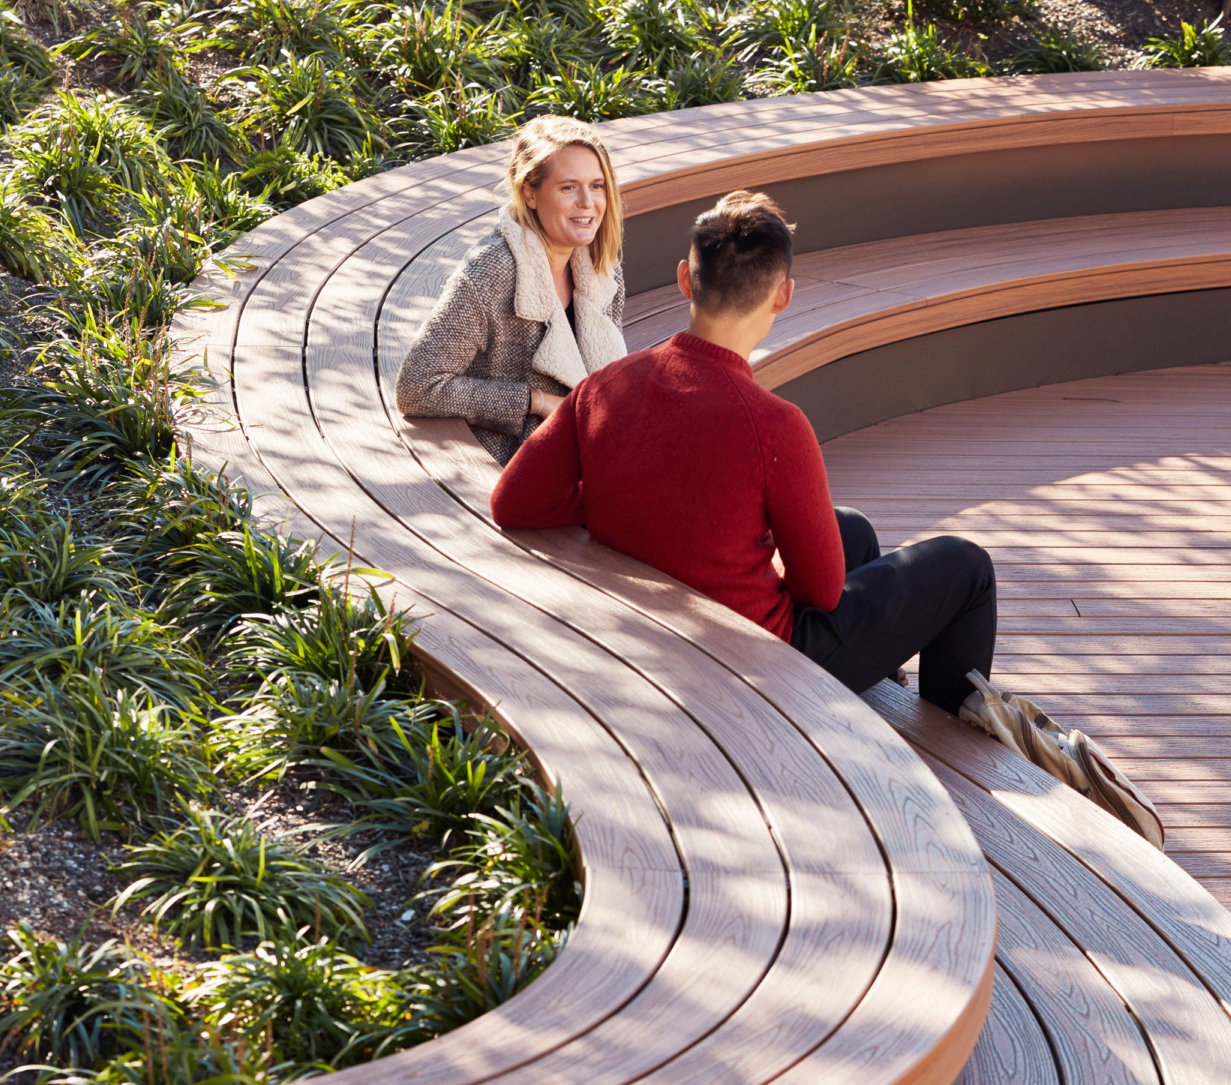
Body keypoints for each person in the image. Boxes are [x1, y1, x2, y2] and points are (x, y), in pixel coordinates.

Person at [488, 187, 997, 712]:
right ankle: (956, 735)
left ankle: (875, 693)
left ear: (684, 278)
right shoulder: (775, 425)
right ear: (783, 296)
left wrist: (623, 494)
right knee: (965, 565)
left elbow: (512, 500)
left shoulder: (605, 385)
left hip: (671, 625)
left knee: (853, 530)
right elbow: (822, 595)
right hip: (759, 664)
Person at [396, 113, 627, 467]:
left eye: (597, 185)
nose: (587, 202)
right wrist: (535, 401)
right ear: (530, 193)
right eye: (568, 187)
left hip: (583, 446)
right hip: (513, 461)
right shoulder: (492, 271)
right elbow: (418, 385)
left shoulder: (603, 270)